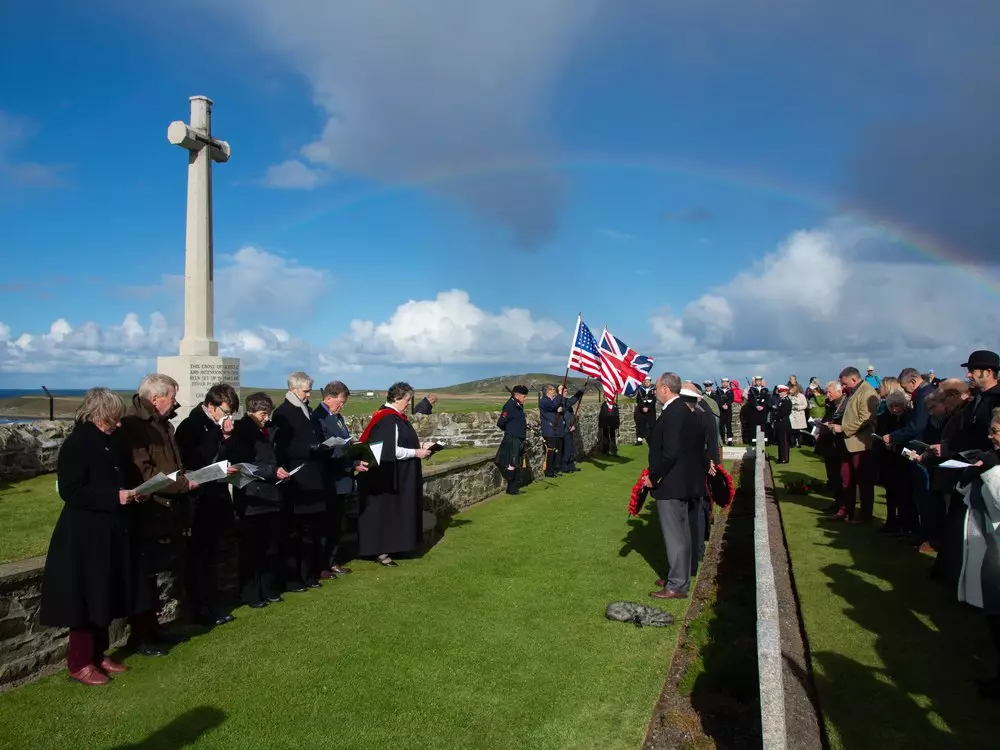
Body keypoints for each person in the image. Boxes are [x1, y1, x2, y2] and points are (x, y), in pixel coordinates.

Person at [39, 388, 148, 686]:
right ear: (101, 413)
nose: (120, 422)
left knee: (104, 594)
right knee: (85, 598)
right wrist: (115, 497)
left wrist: (132, 494)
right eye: (115, 415)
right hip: (84, 533)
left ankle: (99, 654)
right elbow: (71, 491)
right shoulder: (78, 443)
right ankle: (79, 663)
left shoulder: (111, 441)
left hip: (111, 529)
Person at [119, 373, 198, 657]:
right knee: (143, 577)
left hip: (167, 509)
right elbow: (144, 470)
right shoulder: (133, 425)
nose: (175, 402)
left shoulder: (163, 424)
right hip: (148, 509)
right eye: (172, 398)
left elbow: (173, 462)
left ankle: (154, 628)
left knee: (154, 576)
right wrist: (183, 484)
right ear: (156, 398)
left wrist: (188, 477)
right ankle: (140, 636)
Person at [175, 383, 239, 628]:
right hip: (199, 502)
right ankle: (201, 609)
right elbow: (194, 462)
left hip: (216, 498)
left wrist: (226, 437)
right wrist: (220, 440)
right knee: (199, 558)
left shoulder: (216, 427)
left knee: (212, 556)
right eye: (224, 411)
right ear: (210, 406)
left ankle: (213, 604)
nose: (227, 417)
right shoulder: (191, 427)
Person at [645, 373, 710, 601]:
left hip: (672, 482)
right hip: (687, 480)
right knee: (682, 533)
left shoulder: (673, 413)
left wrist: (654, 477)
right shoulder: (686, 410)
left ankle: (677, 585)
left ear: (664, 389)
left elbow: (670, 452)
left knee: (675, 536)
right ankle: (678, 576)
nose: (654, 392)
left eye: (656, 388)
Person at [224, 392, 289, 608]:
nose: (266, 418)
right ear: (250, 411)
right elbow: (243, 464)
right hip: (252, 496)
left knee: (271, 546)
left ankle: (268, 588)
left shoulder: (270, 430)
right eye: (262, 414)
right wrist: (272, 471)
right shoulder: (242, 432)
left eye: (268, 414)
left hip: (271, 494)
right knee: (253, 549)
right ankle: (251, 593)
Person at [357, 382, 433, 567]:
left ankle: (398, 546)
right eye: (407, 400)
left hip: (400, 474)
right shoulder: (387, 419)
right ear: (397, 398)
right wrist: (416, 453)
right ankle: (381, 551)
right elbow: (389, 450)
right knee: (385, 513)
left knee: (396, 511)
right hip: (387, 476)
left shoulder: (396, 417)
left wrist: (420, 446)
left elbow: (401, 443)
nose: (408, 403)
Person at [956, 413, 1000, 700]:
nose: (990, 435)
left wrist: (992, 470)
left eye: (996, 431)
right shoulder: (993, 457)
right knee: (994, 617)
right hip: (992, 548)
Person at [272, 372, 326, 592]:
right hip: (297, 480)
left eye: (310, 390)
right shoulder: (282, 413)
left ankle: (308, 573)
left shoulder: (308, 411)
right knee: (294, 532)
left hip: (314, 477)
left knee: (311, 531)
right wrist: (309, 449)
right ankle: (292, 578)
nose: (309, 394)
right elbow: (282, 447)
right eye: (306, 391)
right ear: (293, 389)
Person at [312, 380, 368, 577]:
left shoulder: (337, 417)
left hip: (342, 478)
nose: (342, 406)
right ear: (328, 397)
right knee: (326, 524)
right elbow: (324, 451)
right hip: (329, 479)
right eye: (340, 401)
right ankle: (321, 565)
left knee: (336, 524)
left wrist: (354, 454)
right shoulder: (317, 418)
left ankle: (332, 560)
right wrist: (350, 464)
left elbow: (343, 443)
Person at [827, 367, 879, 524]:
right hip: (847, 443)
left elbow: (866, 418)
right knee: (846, 479)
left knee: (863, 482)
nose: (843, 387)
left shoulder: (867, 392)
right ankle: (846, 511)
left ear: (854, 380)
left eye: (844, 383)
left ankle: (864, 515)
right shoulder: (852, 392)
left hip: (861, 445)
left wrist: (844, 428)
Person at [495, 385, 529, 494]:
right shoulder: (509, 406)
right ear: (517, 395)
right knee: (512, 464)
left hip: (518, 438)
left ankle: (513, 488)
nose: (526, 398)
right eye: (524, 396)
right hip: (512, 438)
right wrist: (510, 430)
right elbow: (500, 423)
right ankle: (511, 489)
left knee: (515, 464)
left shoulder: (518, 405)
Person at [539, 385, 566, 478]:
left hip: (555, 430)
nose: (554, 391)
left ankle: (554, 469)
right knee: (551, 452)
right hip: (549, 430)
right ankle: (549, 471)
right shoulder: (544, 401)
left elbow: (556, 405)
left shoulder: (551, 400)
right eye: (553, 389)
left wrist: (560, 409)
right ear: (548, 391)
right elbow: (553, 406)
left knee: (556, 451)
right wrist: (559, 394)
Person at [559, 384, 584, 473]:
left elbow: (569, 414)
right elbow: (570, 402)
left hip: (569, 427)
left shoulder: (565, 400)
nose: (566, 393)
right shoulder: (560, 401)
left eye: (566, 391)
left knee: (570, 448)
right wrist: (579, 393)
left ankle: (570, 466)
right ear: (559, 392)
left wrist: (572, 424)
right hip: (563, 428)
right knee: (565, 449)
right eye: (564, 391)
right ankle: (564, 466)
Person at [746, 376, 770, 444]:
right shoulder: (752, 389)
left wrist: (762, 406)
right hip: (754, 410)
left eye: (759, 381)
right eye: (757, 381)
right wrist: (756, 406)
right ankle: (754, 440)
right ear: (755, 381)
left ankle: (765, 440)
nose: (758, 382)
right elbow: (750, 400)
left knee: (763, 425)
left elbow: (767, 399)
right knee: (754, 425)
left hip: (763, 410)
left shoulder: (765, 389)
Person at [634, 377, 657, 445]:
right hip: (642, 411)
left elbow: (654, 400)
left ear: (650, 382)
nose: (647, 383)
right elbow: (638, 400)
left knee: (651, 425)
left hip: (651, 411)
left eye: (648, 382)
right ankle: (639, 440)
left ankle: (652, 440)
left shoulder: (654, 390)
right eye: (646, 382)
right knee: (640, 425)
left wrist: (648, 408)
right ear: (644, 382)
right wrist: (642, 408)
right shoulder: (640, 390)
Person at [773, 384, 792, 463]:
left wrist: (777, 416)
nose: (779, 393)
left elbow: (783, 413)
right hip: (779, 423)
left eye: (781, 392)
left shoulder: (786, 401)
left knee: (784, 441)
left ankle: (785, 458)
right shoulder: (781, 400)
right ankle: (781, 458)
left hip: (784, 423)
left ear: (785, 392)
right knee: (780, 441)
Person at [714, 378, 735, 445]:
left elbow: (731, 399)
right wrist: (722, 405)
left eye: (726, 382)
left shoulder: (730, 391)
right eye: (723, 382)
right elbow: (717, 399)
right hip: (721, 410)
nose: (724, 383)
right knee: (721, 426)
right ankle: (722, 440)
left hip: (728, 410)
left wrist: (727, 405)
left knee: (729, 425)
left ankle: (730, 440)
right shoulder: (718, 391)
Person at [788, 383, 808, 448]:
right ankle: (792, 443)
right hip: (792, 415)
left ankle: (799, 443)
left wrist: (798, 407)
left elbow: (805, 405)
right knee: (792, 430)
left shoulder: (802, 396)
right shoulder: (789, 396)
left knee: (799, 431)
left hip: (800, 415)